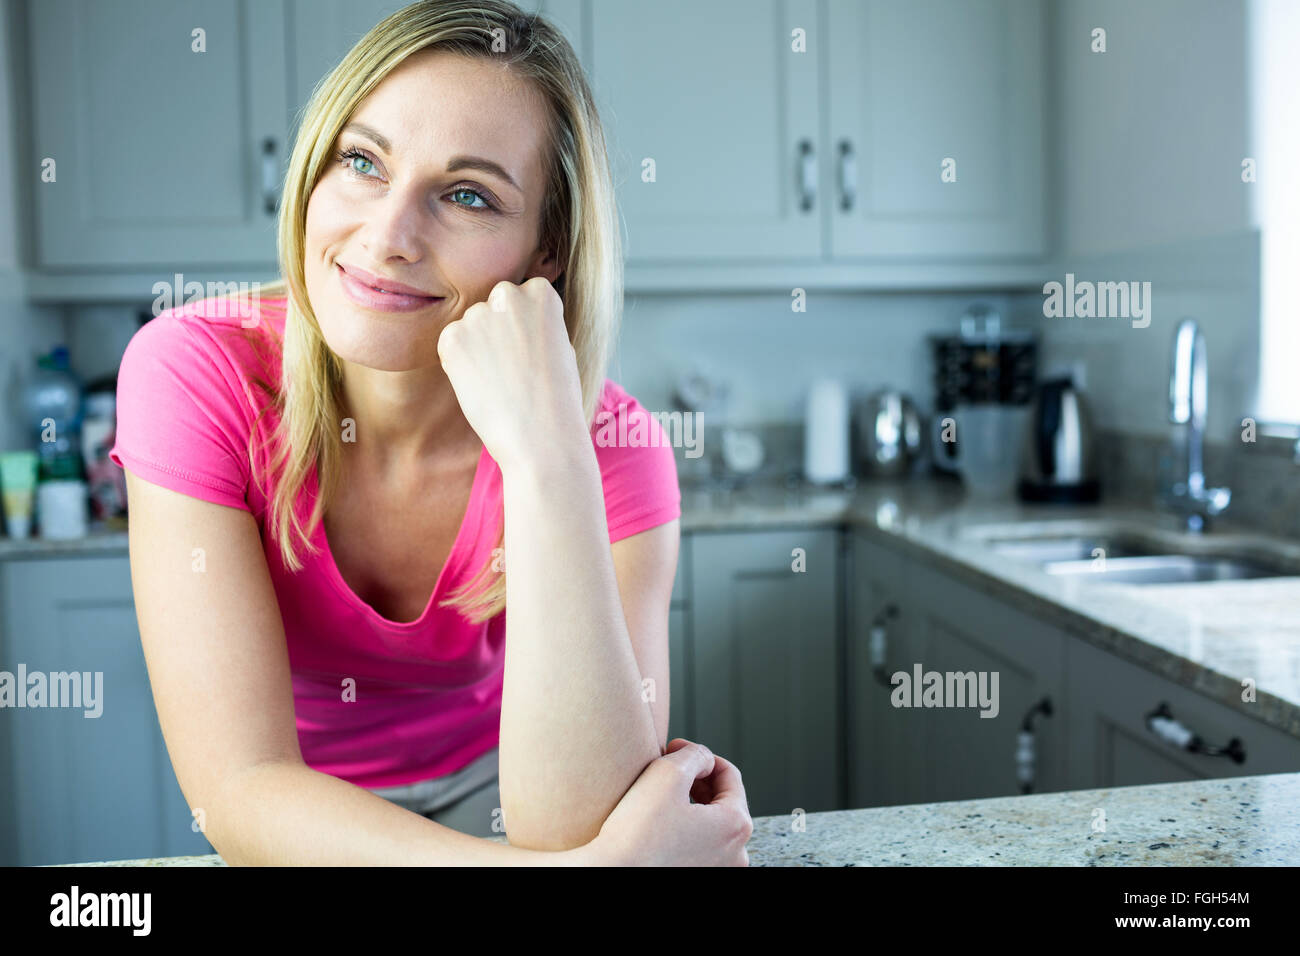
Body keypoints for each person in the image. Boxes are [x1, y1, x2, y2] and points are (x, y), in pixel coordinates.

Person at [110, 0, 751, 865]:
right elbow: (241, 789)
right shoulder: (194, 371)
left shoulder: (615, 445)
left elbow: (576, 824)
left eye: (466, 195)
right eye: (363, 161)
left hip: (504, 807)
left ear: (545, 251)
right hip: (304, 825)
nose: (387, 236)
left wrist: (547, 459)